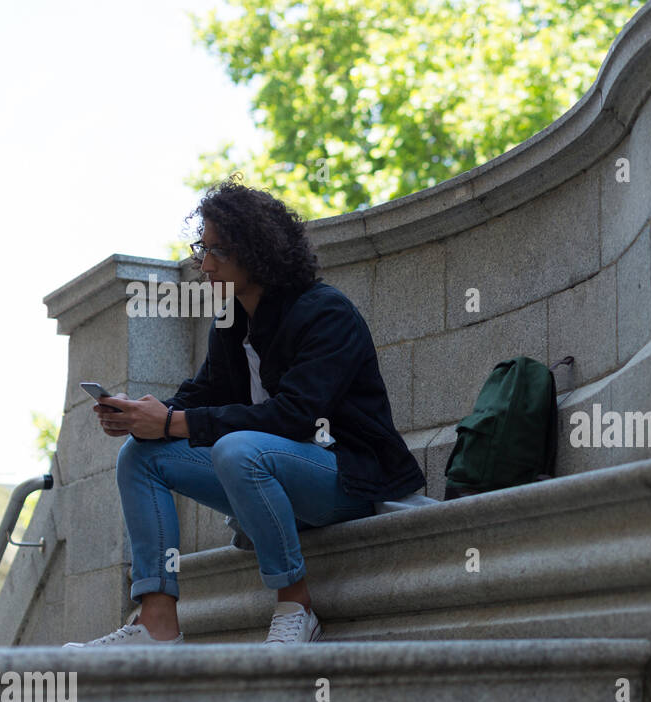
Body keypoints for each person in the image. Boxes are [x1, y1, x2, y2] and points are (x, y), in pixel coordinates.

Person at [66, 180, 425, 646]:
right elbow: (204, 393)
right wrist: (144, 416)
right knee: (141, 455)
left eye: (218, 250)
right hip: (265, 476)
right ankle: (157, 624)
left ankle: (297, 606)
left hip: (348, 479)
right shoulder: (233, 319)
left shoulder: (326, 312)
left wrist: (175, 423)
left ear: (258, 251)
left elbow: (296, 416)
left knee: (237, 450)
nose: (205, 263)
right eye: (202, 247)